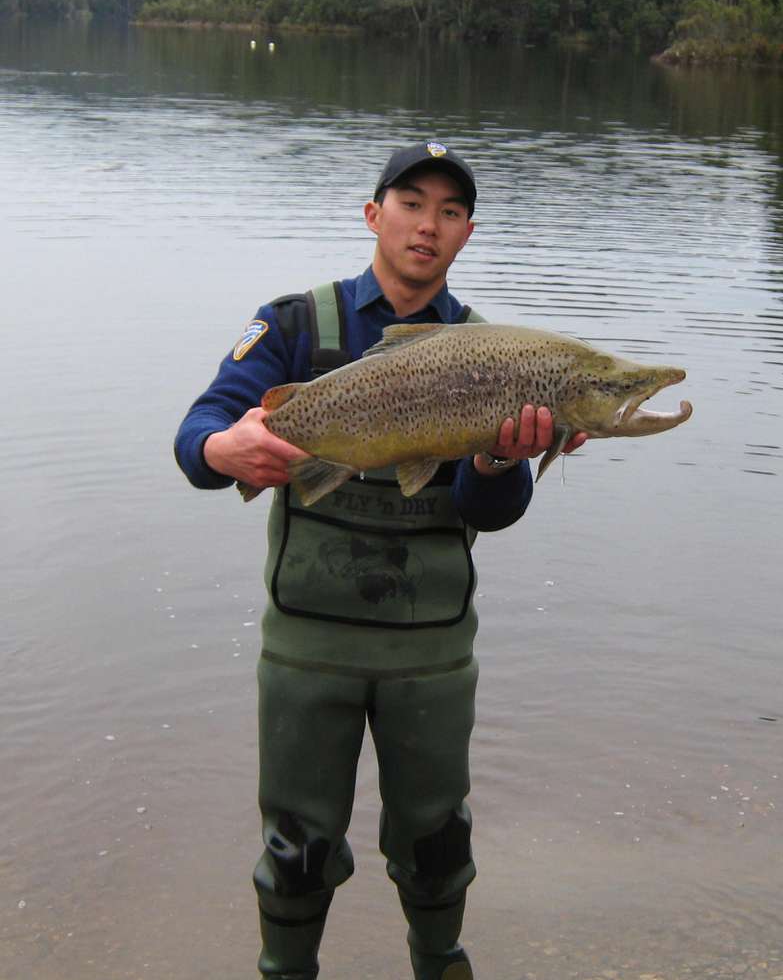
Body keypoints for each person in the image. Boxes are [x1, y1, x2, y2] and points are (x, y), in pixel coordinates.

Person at [174, 140, 587, 980]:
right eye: (410, 203)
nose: (426, 226)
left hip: (429, 649)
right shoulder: (294, 324)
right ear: (373, 215)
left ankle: (440, 966)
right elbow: (196, 432)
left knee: (436, 842)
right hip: (307, 645)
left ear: (467, 233)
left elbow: (490, 514)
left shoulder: (492, 351)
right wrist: (224, 448)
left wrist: (503, 459)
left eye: (449, 211)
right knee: (296, 847)